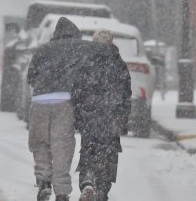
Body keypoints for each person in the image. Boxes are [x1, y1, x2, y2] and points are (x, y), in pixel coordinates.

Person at [25, 17, 88, 201]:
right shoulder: (78, 49)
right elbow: (84, 78)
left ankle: (43, 181)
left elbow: (31, 77)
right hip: (64, 101)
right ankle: (61, 191)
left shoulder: (43, 49)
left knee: (40, 143)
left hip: (39, 101)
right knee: (62, 146)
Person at [74, 29, 132, 201]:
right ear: (111, 42)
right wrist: (123, 119)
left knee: (88, 151)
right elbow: (125, 94)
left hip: (90, 117)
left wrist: (78, 114)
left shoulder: (85, 60)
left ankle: (87, 182)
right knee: (108, 156)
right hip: (111, 118)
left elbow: (77, 89)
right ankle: (102, 189)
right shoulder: (119, 62)